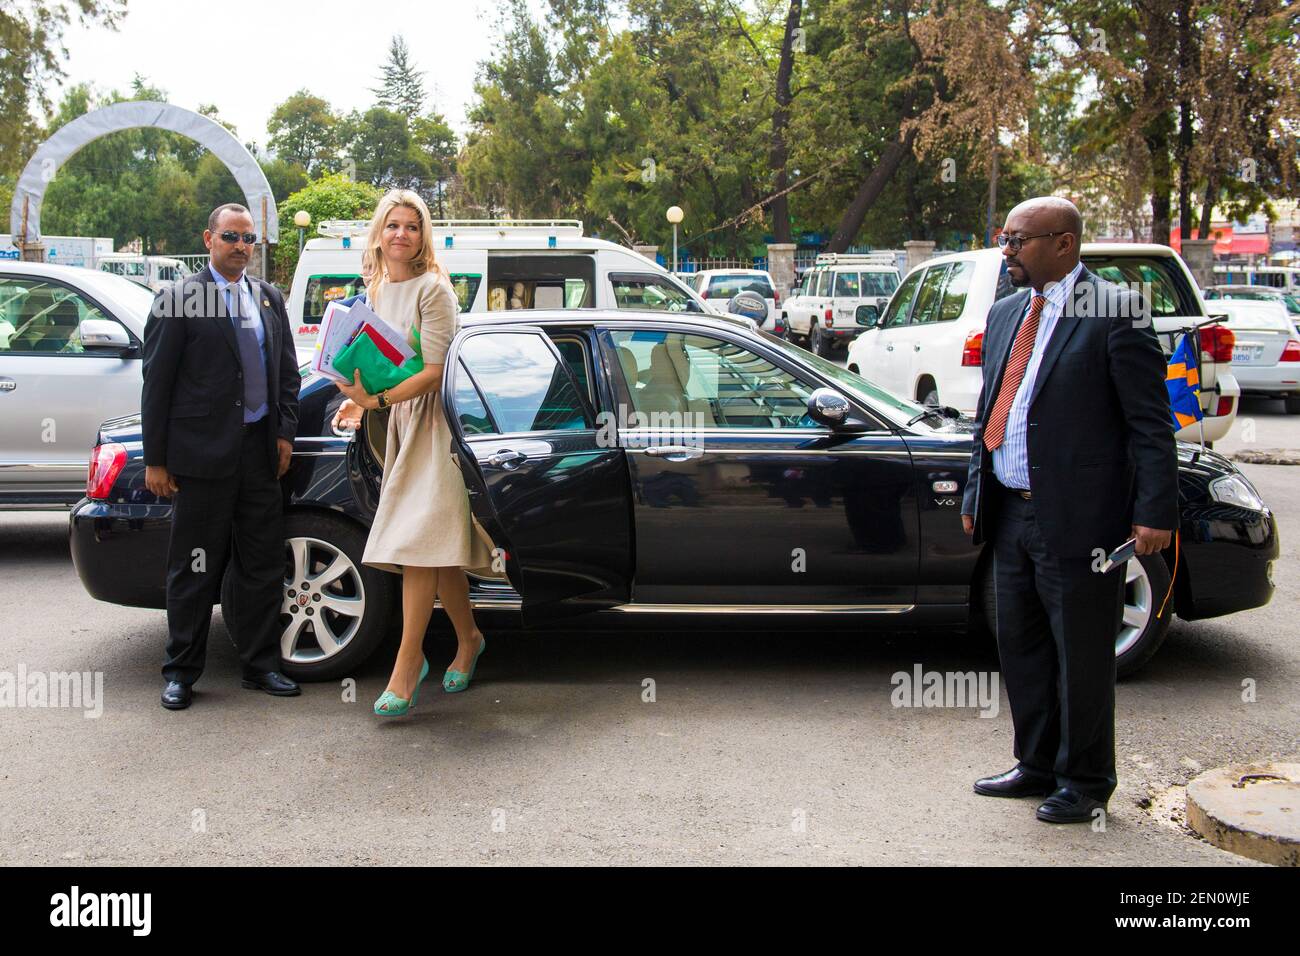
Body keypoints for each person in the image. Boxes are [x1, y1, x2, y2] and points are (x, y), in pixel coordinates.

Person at [961, 196, 1178, 823]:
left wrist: (1154, 512)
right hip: (1011, 513)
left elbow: (1150, 425)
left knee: (1082, 654)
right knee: (1021, 645)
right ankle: (1035, 764)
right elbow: (989, 416)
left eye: (1018, 241)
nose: (1007, 252)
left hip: (1084, 521)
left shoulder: (1116, 312)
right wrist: (978, 494)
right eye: (1004, 239)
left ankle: (1084, 782)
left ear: (1064, 244)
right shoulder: (1005, 314)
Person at [332, 189, 495, 717]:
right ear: (379, 233)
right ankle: (468, 638)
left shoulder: (435, 290)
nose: (402, 234)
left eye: (413, 226)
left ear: (424, 235)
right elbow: (373, 355)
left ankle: (408, 663)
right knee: (436, 544)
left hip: (436, 427)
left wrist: (374, 399)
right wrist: (357, 402)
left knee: (420, 541)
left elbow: (432, 371)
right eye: (393, 225)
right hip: (396, 424)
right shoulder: (376, 288)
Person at [142, 203, 302, 710]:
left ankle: (260, 666)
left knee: (259, 566)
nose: (241, 246)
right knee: (195, 568)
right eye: (231, 236)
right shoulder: (178, 300)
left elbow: (287, 376)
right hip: (201, 459)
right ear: (208, 238)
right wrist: (156, 460)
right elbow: (157, 385)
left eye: (249, 238)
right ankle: (181, 673)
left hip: (259, 456)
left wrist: (284, 433)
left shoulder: (268, 298)